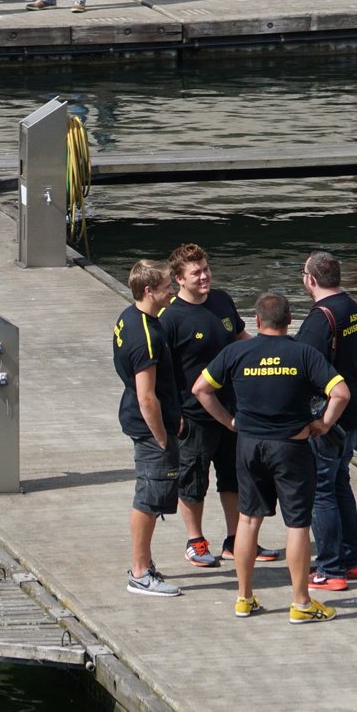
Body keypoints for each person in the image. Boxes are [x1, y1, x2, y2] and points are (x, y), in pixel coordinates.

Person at [195, 291, 351, 625]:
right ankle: (301, 603)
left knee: (249, 520)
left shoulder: (236, 351)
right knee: (297, 524)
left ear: (257, 321)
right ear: (289, 320)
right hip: (291, 447)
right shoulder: (304, 353)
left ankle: (244, 597)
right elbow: (341, 393)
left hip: (249, 445)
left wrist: (228, 421)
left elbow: (201, 389)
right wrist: (323, 424)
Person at [157, 243, 256, 572]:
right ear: (179, 280)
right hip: (194, 416)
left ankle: (235, 540)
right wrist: (176, 415)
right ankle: (195, 540)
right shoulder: (170, 319)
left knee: (234, 478)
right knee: (193, 480)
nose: (204, 276)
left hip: (232, 409)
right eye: (196, 273)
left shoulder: (222, 300)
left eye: (206, 269)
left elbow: (241, 338)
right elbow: (164, 374)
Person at [297, 251, 357, 592]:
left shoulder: (319, 318)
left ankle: (330, 568)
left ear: (311, 280)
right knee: (341, 481)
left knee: (321, 489)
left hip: (330, 414)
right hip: (355, 409)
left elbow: (302, 367)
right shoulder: (352, 307)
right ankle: (350, 559)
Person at [114, 259, 183, 598]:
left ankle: (144, 564)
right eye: (168, 286)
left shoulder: (129, 317)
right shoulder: (147, 337)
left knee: (150, 492)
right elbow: (146, 397)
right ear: (148, 290)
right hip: (148, 427)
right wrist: (161, 437)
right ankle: (140, 573)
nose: (173, 290)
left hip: (138, 417)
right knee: (149, 495)